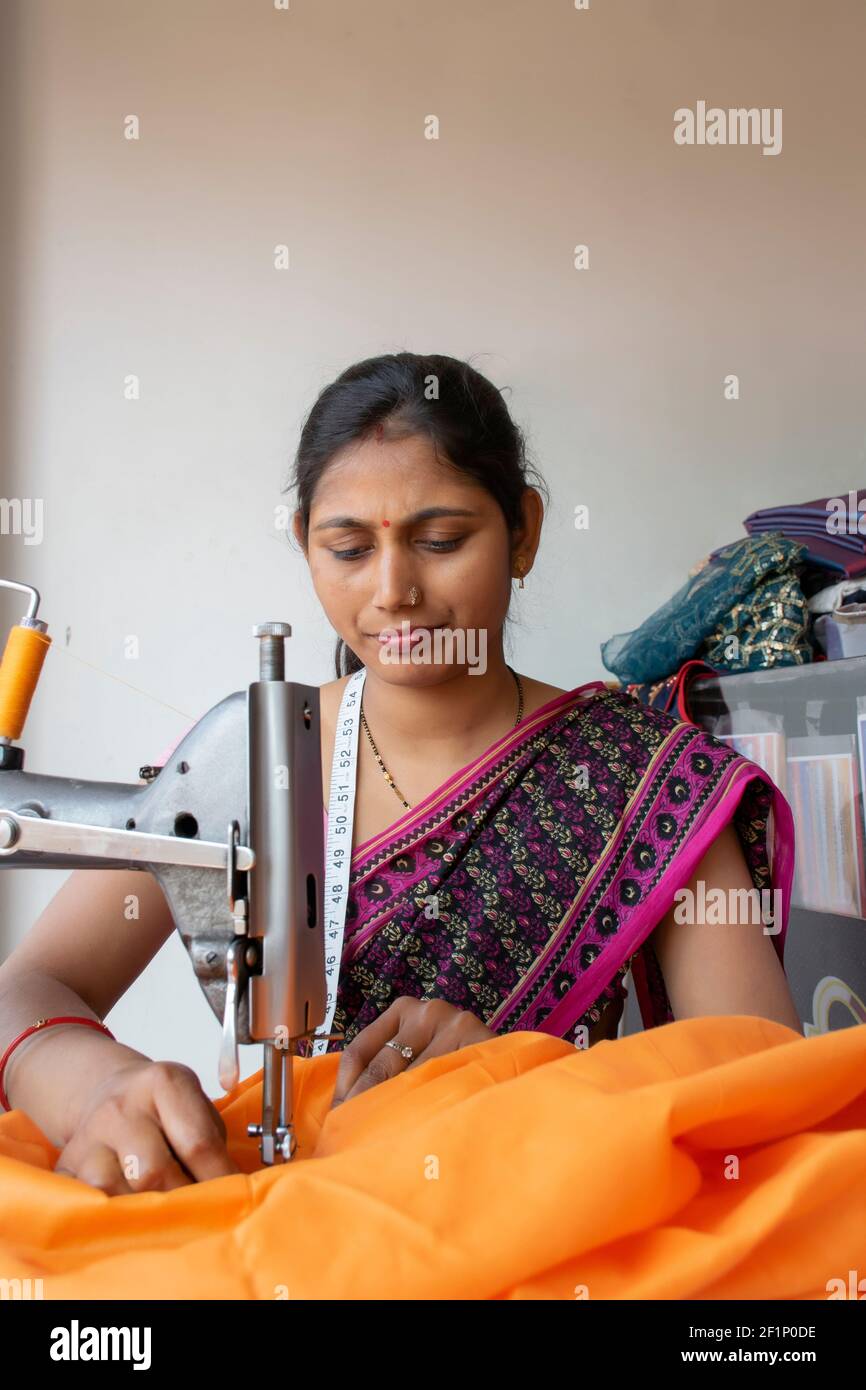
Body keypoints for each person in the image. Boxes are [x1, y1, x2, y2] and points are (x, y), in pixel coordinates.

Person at [0, 351, 801, 1196]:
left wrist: (520, 1076)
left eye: (441, 540)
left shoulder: (641, 777)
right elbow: (30, 984)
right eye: (347, 549)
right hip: (285, 1229)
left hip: (531, 1230)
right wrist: (95, 1082)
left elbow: (764, 1089)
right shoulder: (250, 760)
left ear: (523, 530)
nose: (393, 591)